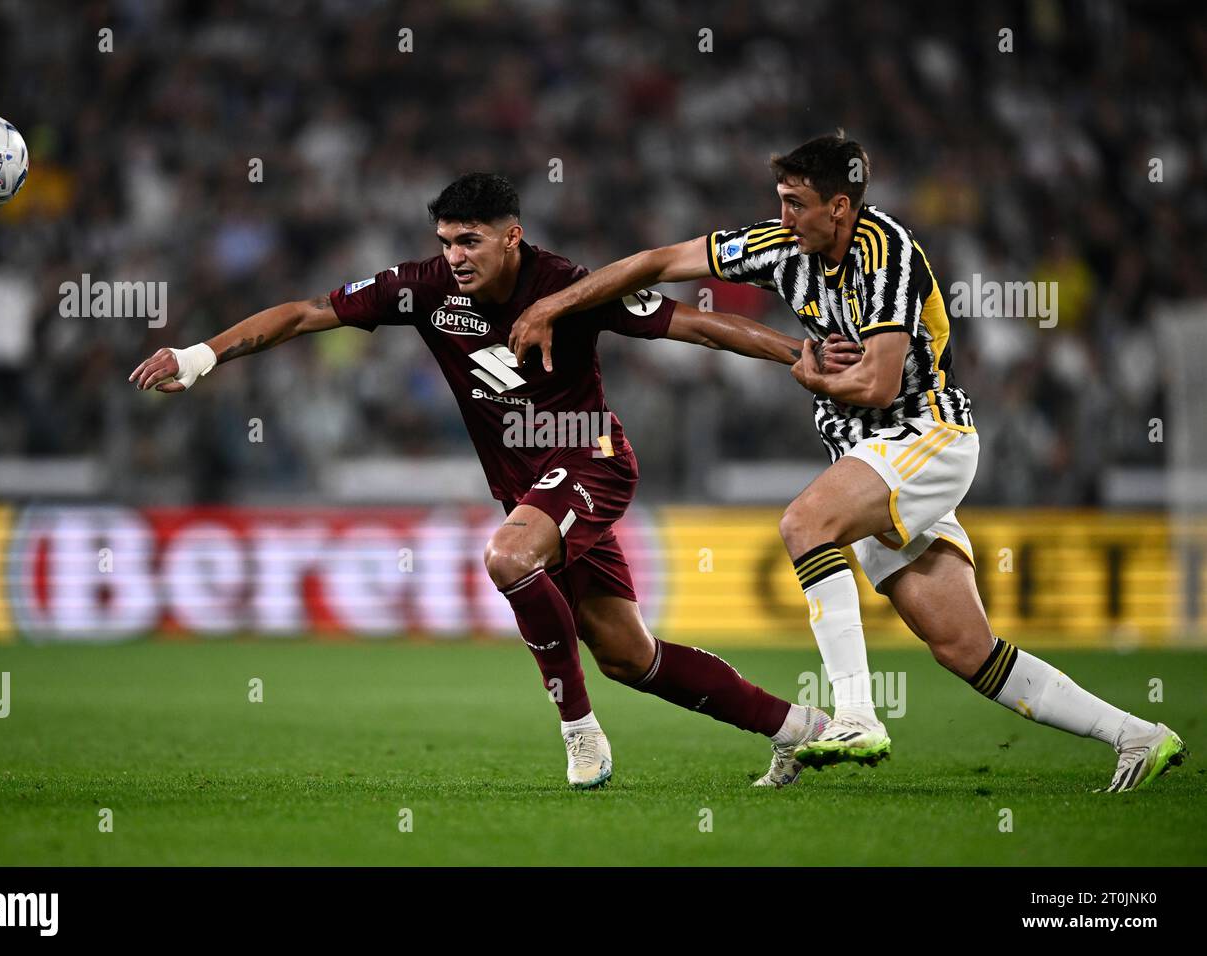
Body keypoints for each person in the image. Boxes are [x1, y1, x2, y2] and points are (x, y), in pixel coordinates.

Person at [131, 172, 863, 789]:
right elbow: (305, 312)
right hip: (529, 490)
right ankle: (797, 727)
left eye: (469, 240)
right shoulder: (420, 289)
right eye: (445, 241)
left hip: (590, 460)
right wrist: (201, 355)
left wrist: (795, 352)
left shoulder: (570, 287)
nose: (452, 255)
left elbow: (691, 325)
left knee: (507, 558)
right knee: (626, 655)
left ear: (512, 236)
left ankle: (579, 733)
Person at [508, 136, 1186, 793]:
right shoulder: (780, 247)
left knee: (805, 523)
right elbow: (658, 262)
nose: (783, 217)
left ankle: (857, 715)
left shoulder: (886, 252)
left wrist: (812, 375)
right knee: (964, 649)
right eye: (780, 200)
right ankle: (1135, 733)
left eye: (796, 203)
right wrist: (555, 303)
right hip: (872, 458)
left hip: (926, 434)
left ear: (840, 207)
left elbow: (879, 386)